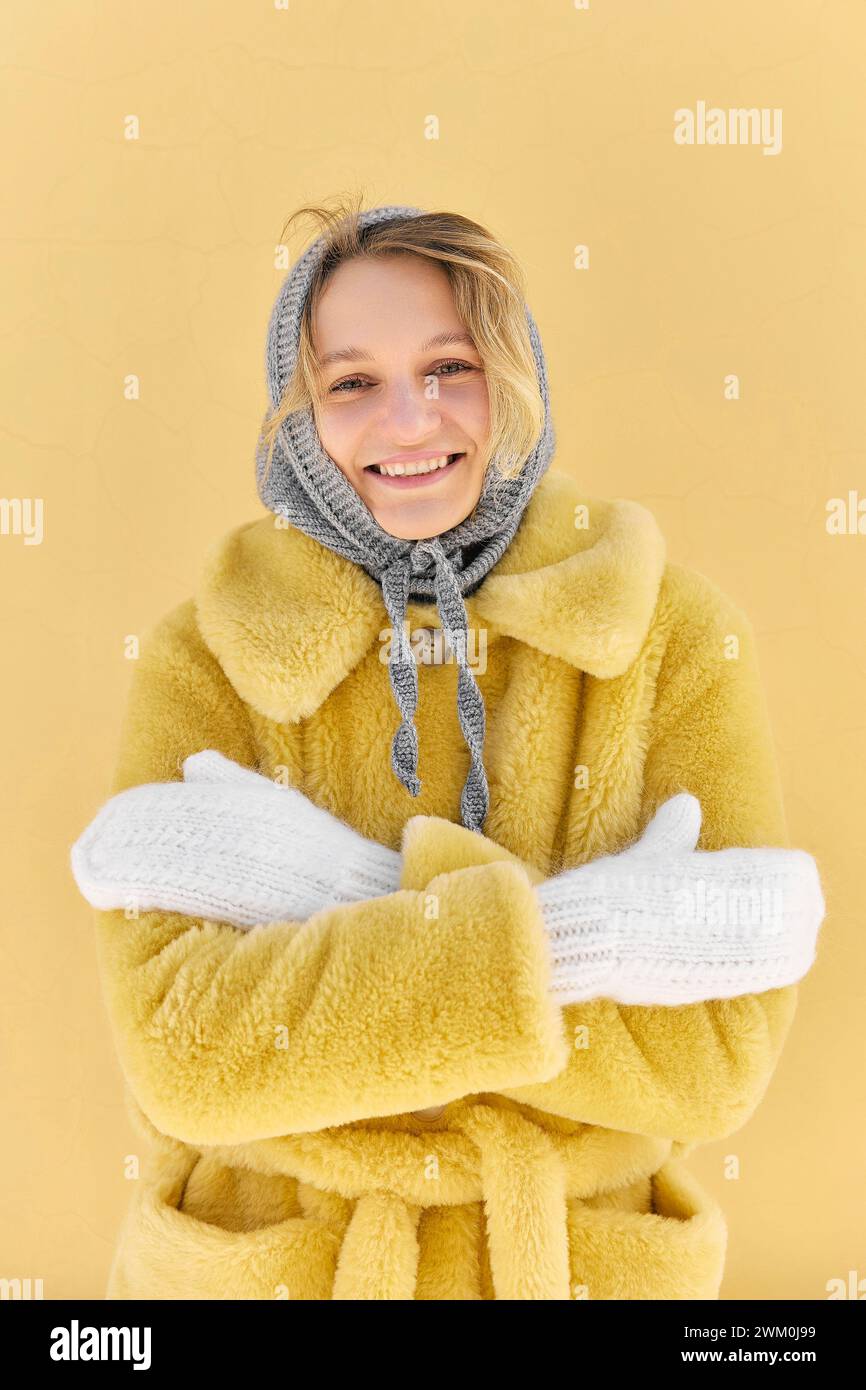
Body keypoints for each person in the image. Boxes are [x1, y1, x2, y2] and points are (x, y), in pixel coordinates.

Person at [70, 200, 826, 1301]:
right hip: (282, 1261)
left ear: (513, 378)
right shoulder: (208, 652)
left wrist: (332, 897)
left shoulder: (664, 633)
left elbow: (717, 1055)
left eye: (448, 367)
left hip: (566, 1262)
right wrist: (598, 940)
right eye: (350, 383)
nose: (409, 422)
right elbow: (182, 1056)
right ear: (299, 414)